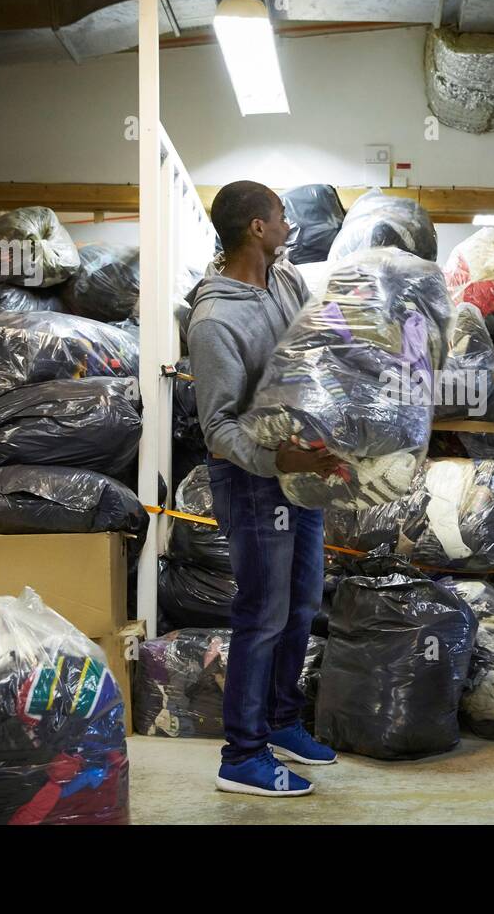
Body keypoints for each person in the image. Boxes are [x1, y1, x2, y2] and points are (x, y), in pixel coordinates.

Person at [188, 180, 341, 797]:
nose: (287, 225)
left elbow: (308, 351)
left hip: (299, 471)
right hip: (255, 484)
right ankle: (242, 757)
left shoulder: (285, 280)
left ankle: (280, 721)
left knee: (303, 601)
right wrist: (274, 455)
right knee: (263, 613)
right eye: (280, 216)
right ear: (257, 226)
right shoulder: (214, 319)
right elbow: (218, 427)